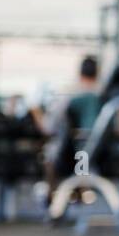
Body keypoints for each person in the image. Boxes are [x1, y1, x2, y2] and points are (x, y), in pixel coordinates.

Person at [32, 54, 103, 199]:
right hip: (100, 155)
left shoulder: (68, 95)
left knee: (49, 153)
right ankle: (82, 190)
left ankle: (52, 201)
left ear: (80, 72)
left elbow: (47, 127)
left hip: (71, 156)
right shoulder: (106, 96)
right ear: (98, 73)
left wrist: (35, 111)